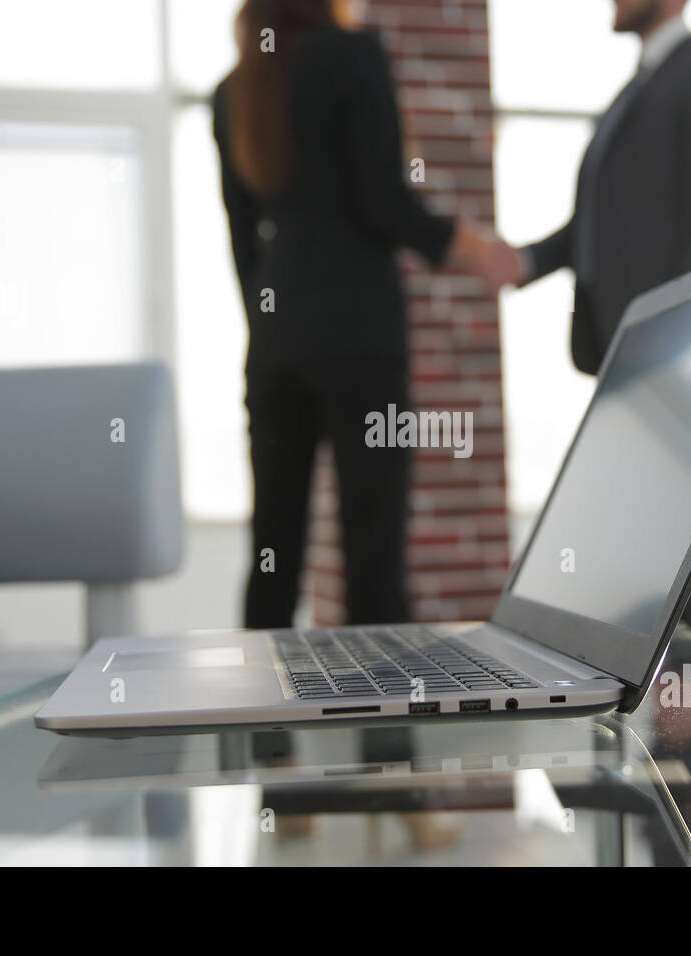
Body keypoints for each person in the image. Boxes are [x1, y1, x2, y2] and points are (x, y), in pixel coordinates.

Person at [213, 0, 511, 634]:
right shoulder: (354, 56)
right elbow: (385, 204)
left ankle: (258, 702)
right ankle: (385, 704)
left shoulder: (236, 87)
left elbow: (242, 238)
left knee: (272, 552)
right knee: (374, 554)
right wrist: (470, 244)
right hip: (360, 340)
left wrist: (269, 328)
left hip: (276, 345)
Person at [505, 0, 691, 672]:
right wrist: (523, 262)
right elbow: (592, 221)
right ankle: (666, 711)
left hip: (673, 359)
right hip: (627, 357)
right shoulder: (630, 95)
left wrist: (674, 345)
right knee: (651, 552)